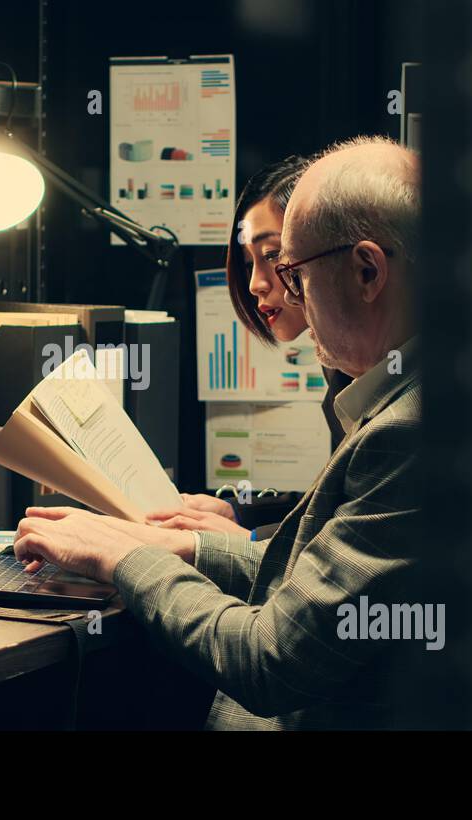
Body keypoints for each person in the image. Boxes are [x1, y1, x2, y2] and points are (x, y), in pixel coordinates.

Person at [13, 136, 422, 729]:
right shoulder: (398, 398)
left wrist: (127, 556)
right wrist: (187, 546)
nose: (281, 294)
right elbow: (313, 584)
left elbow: (273, 658)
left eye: (293, 273)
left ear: (366, 271)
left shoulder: (407, 433)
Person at [149, 156, 351, 539]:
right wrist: (238, 512)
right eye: (247, 262)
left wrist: (249, 540)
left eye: (273, 255)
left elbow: (350, 540)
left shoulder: (376, 376)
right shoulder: (339, 365)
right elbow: (336, 507)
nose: (257, 283)